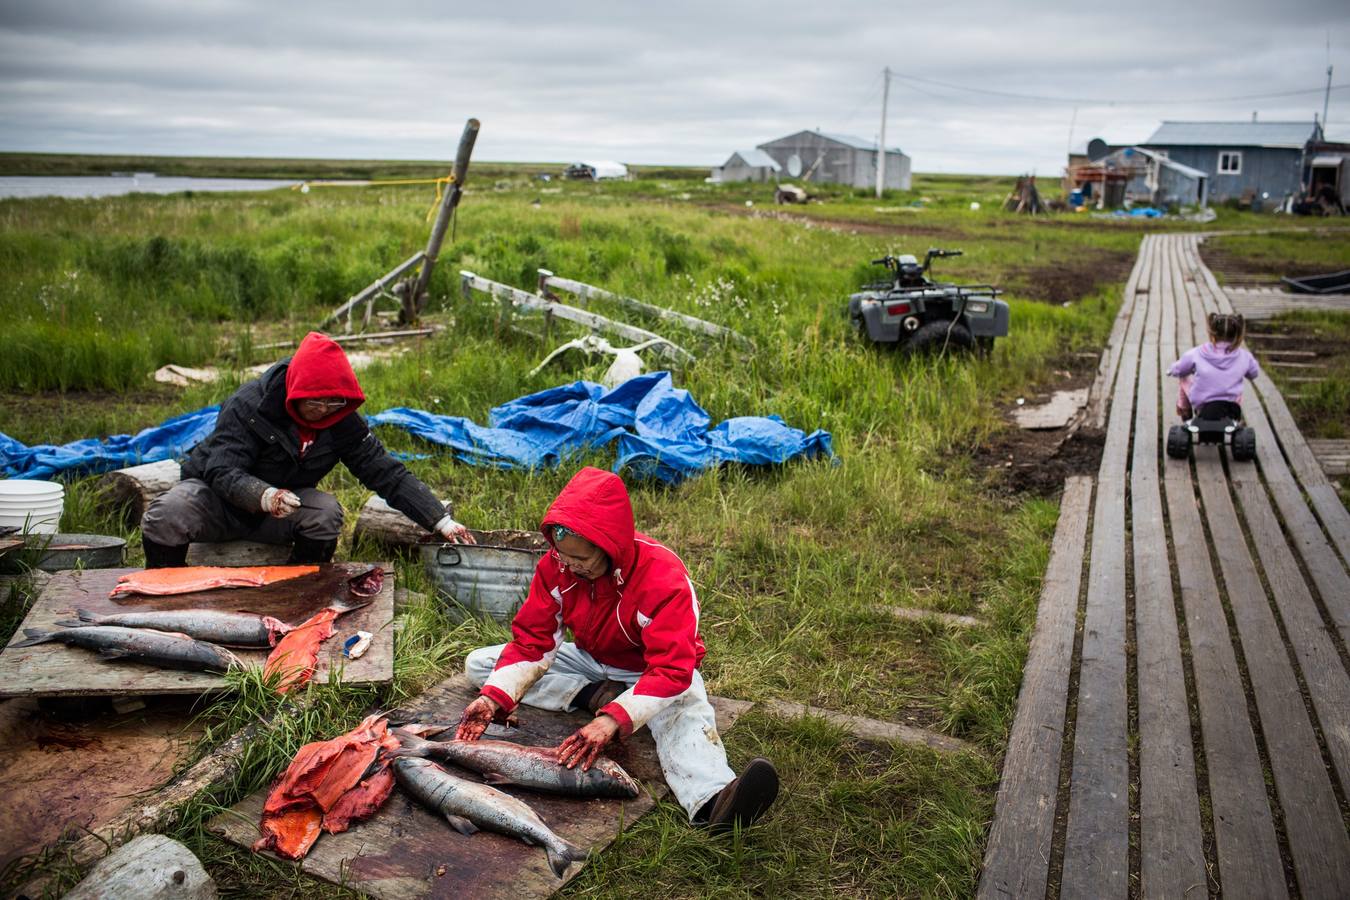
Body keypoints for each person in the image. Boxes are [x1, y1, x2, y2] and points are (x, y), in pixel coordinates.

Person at [455, 466, 779, 830]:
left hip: (651, 670)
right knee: (481, 665)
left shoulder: (664, 578)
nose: (570, 567)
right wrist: (493, 700)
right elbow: (533, 641)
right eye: (563, 556)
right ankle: (592, 694)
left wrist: (612, 720)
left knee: (684, 710)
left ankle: (713, 801)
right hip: (591, 659)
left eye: (581, 560)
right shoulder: (557, 567)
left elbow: (672, 667)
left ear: (610, 547)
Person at [140, 331, 473, 567]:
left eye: (334, 402)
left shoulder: (342, 420)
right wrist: (264, 495)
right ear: (295, 391)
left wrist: (440, 521)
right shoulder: (248, 405)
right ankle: (164, 592)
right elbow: (221, 471)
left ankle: (301, 590)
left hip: (280, 514)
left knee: (325, 512)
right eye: (316, 401)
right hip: (218, 503)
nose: (325, 410)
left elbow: (386, 473)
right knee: (169, 512)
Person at [1166, 312, 1260, 421]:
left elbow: (1179, 369)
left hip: (1203, 406)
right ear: (1238, 335)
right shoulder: (1244, 356)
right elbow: (1254, 373)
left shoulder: (1197, 353)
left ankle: (1184, 409)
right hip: (1232, 408)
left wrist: (1171, 370)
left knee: (1183, 376)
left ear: (1212, 333)